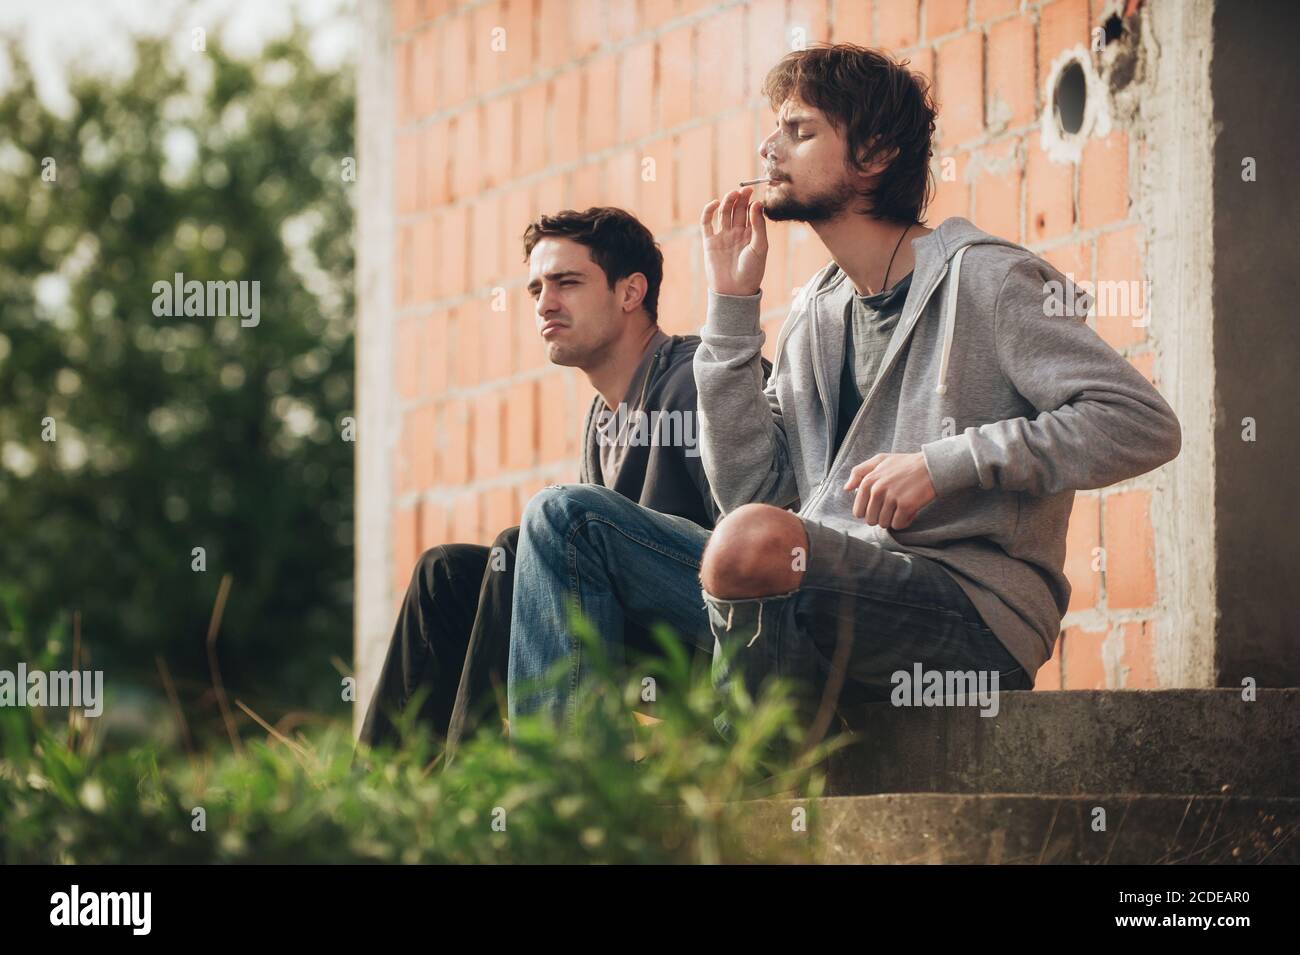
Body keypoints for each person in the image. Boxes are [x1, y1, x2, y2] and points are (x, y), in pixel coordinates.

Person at [507, 44, 1181, 735]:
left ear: (877, 153)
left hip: (965, 618)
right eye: (775, 129)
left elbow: (1140, 422)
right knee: (569, 520)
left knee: (753, 541)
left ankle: (743, 768)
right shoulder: (817, 311)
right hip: (817, 593)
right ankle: (567, 802)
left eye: (799, 131)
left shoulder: (990, 281)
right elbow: (749, 496)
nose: (769, 147)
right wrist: (733, 305)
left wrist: (945, 463)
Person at [358, 207, 765, 751]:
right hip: (642, 629)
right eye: (535, 290)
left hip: (732, 628)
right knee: (448, 574)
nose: (545, 304)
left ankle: (493, 783)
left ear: (630, 292)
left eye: (567, 283)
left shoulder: (696, 377)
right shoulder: (601, 420)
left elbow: (753, 535)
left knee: (522, 540)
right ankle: (393, 792)